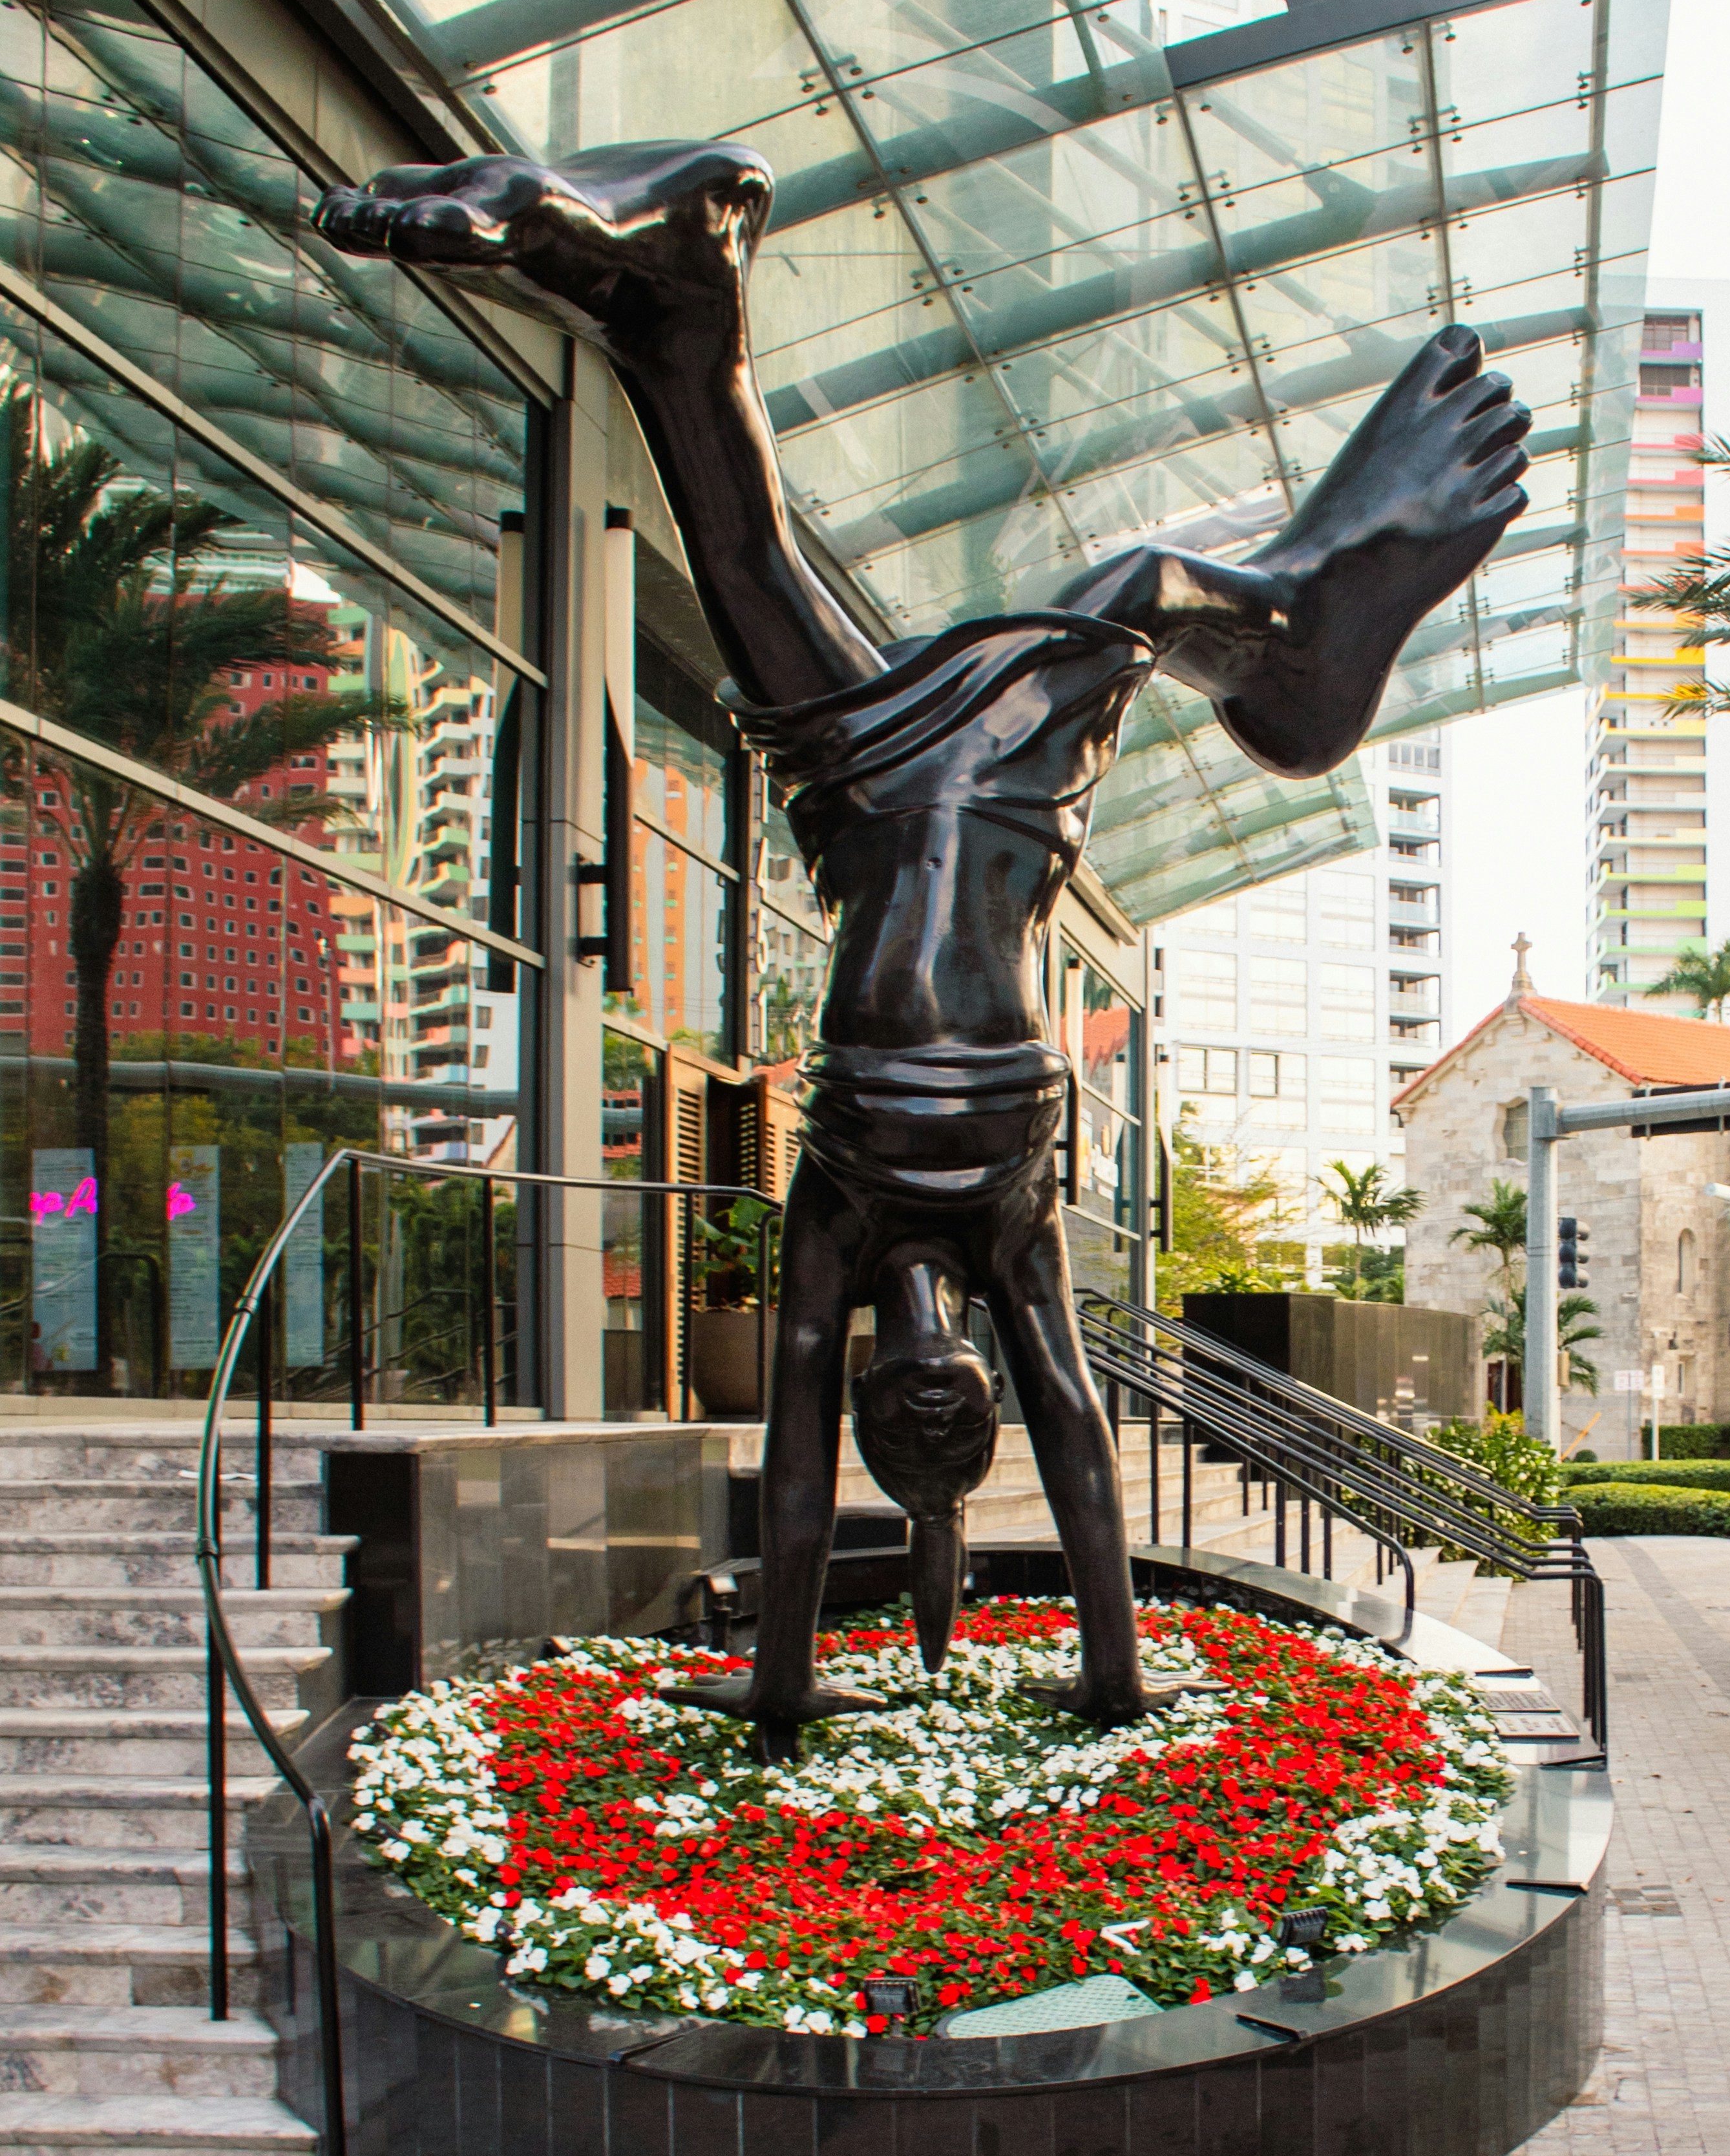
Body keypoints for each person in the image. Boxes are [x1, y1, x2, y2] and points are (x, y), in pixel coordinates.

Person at [312, 141, 1529, 1740]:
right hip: (975, 964)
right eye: (952, 1418)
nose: (930, 1394)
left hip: (886, 843)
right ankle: (1292, 613)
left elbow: (816, 1481)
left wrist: (783, 1694)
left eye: (917, 1417)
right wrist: (1108, 1684)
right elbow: (1066, 1449)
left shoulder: (847, 1222)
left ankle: (687, 324)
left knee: (776, 587)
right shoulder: (989, 1239)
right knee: (1116, 590)